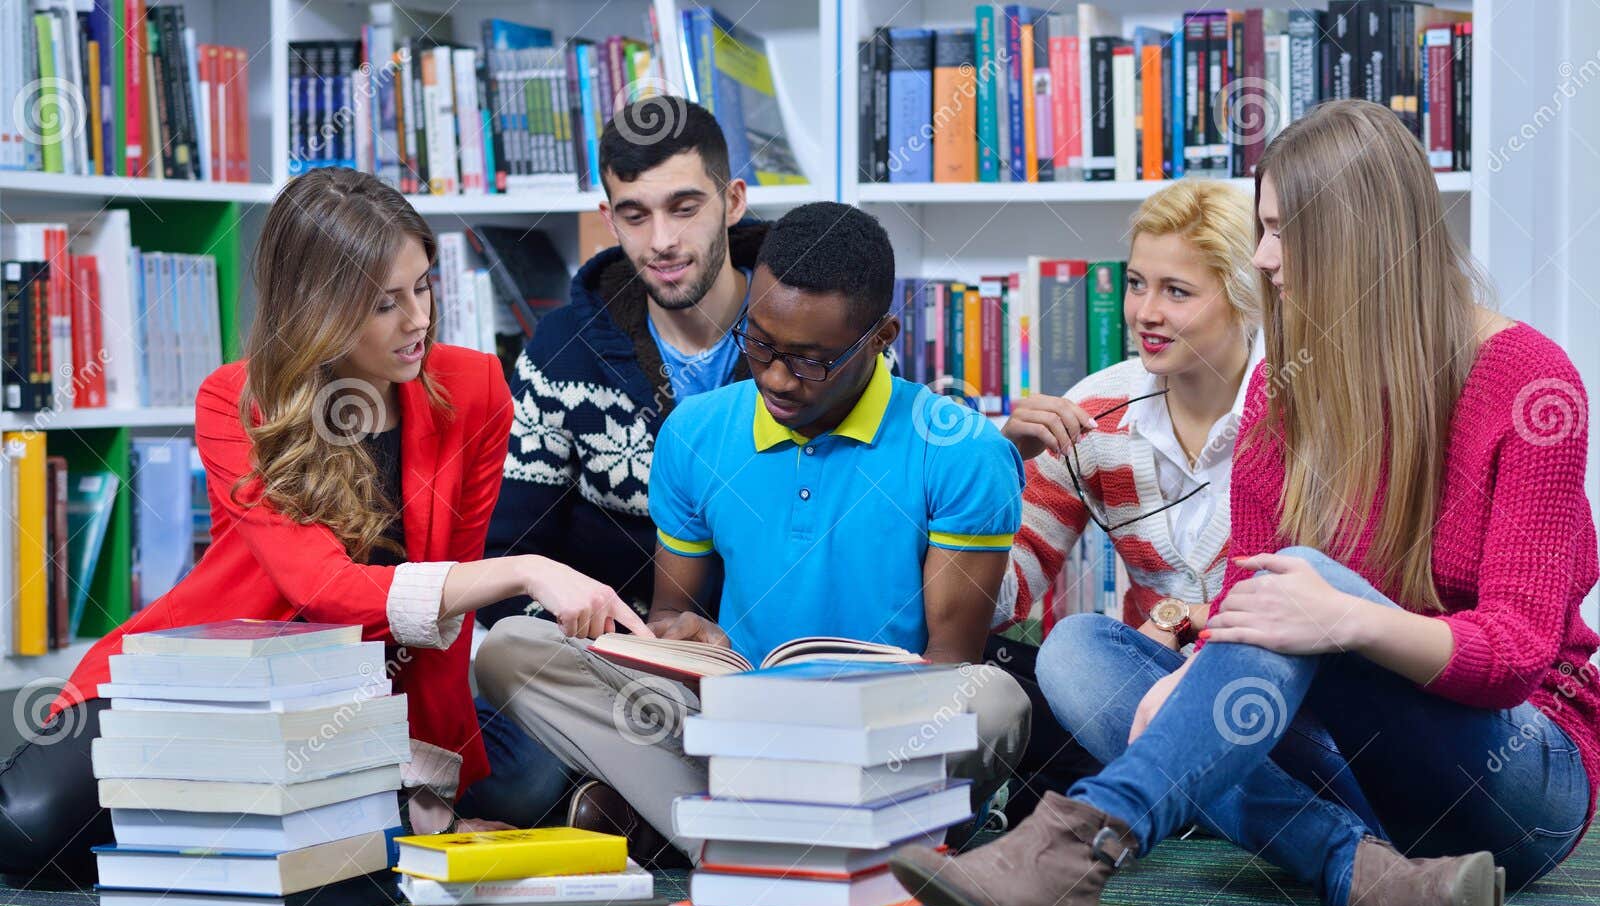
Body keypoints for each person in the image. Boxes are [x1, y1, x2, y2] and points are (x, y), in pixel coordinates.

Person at [893, 99, 1598, 906]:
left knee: (1298, 578)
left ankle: (1077, 848)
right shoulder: (1285, 391)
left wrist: (1347, 619)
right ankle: (1373, 875)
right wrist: (1195, 682)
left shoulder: (1530, 381)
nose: (1263, 257)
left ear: (1358, 237)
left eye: (1281, 232)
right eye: (1262, 230)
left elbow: (1517, 655)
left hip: (1518, 780)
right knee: (1079, 653)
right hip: (1363, 774)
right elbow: (1243, 606)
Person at [0, 168, 643, 886]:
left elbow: (448, 618)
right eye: (384, 304)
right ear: (317, 311)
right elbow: (325, 588)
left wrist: (431, 796)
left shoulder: (476, 388)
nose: (418, 319)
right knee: (29, 826)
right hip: (221, 683)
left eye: (423, 286)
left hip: (363, 698)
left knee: (505, 788)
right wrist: (528, 569)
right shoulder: (235, 401)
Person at [476, 202, 1031, 864]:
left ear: (881, 337)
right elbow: (672, 615)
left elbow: (949, 664)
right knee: (512, 650)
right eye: (760, 343)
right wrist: (683, 636)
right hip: (733, 729)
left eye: (811, 361)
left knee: (995, 702)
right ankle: (839, 840)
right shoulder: (697, 430)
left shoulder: (963, 450)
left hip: (877, 737)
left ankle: (709, 828)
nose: (775, 376)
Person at [468, 98, 764, 829]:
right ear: (609, 217)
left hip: (772, 660)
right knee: (509, 663)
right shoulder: (561, 350)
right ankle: (706, 799)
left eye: (684, 208)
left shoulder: (813, 327)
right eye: (635, 215)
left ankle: (638, 806)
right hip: (617, 665)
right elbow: (508, 558)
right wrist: (624, 640)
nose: (661, 240)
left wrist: (726, 643)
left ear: (732, 202)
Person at [990, 179, 1272, 822]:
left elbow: (1316, 604)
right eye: (1137, 284)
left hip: (1268, 691)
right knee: (1068, 653)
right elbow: (1001, 602)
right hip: (1144, 691)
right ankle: (1225, 808)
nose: (1145, 312)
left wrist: (1180, 620)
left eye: (1177, 291)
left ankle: (1172, 800)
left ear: (1242, 297)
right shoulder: (1095, 412)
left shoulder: (1299, 411)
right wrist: (996, 470)